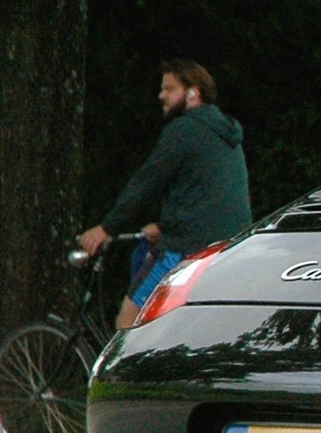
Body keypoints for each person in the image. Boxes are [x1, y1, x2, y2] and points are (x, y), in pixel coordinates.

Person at [77, 62, 252, 328]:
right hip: (230, 252)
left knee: (129, 321)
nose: (162, 96)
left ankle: (123, 371)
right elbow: (207, 197)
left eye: (169, 89)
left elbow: (145, 183)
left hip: (188, 250)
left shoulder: (183, 130)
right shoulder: (226, 134)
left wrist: (106, 228)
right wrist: (164, 225)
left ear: (193, 93)